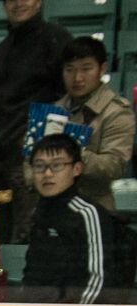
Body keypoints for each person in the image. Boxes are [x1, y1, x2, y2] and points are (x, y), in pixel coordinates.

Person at [0, 0, 70, 244]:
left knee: (27, 236)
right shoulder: (2, 48)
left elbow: (66, 98)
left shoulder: (56, 39)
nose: (18, 3)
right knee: (1, 235)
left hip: (32, 163)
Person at [22, 134, 121, 304]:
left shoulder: (87, 213)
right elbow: (32, 277)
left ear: (76, 169)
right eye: (39, 166)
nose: (47, 173)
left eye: (57, 165)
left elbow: (98, 279)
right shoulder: (38, 212)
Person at [50, 37, 135, 212]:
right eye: (70, 69)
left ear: (102, 69)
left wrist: (69, 154)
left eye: (86, 69)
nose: (77, 77)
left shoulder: (116, 111)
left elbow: (114, 166)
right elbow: (30, 161)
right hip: (54, 206)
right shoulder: (54, 109)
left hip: (95, 207)